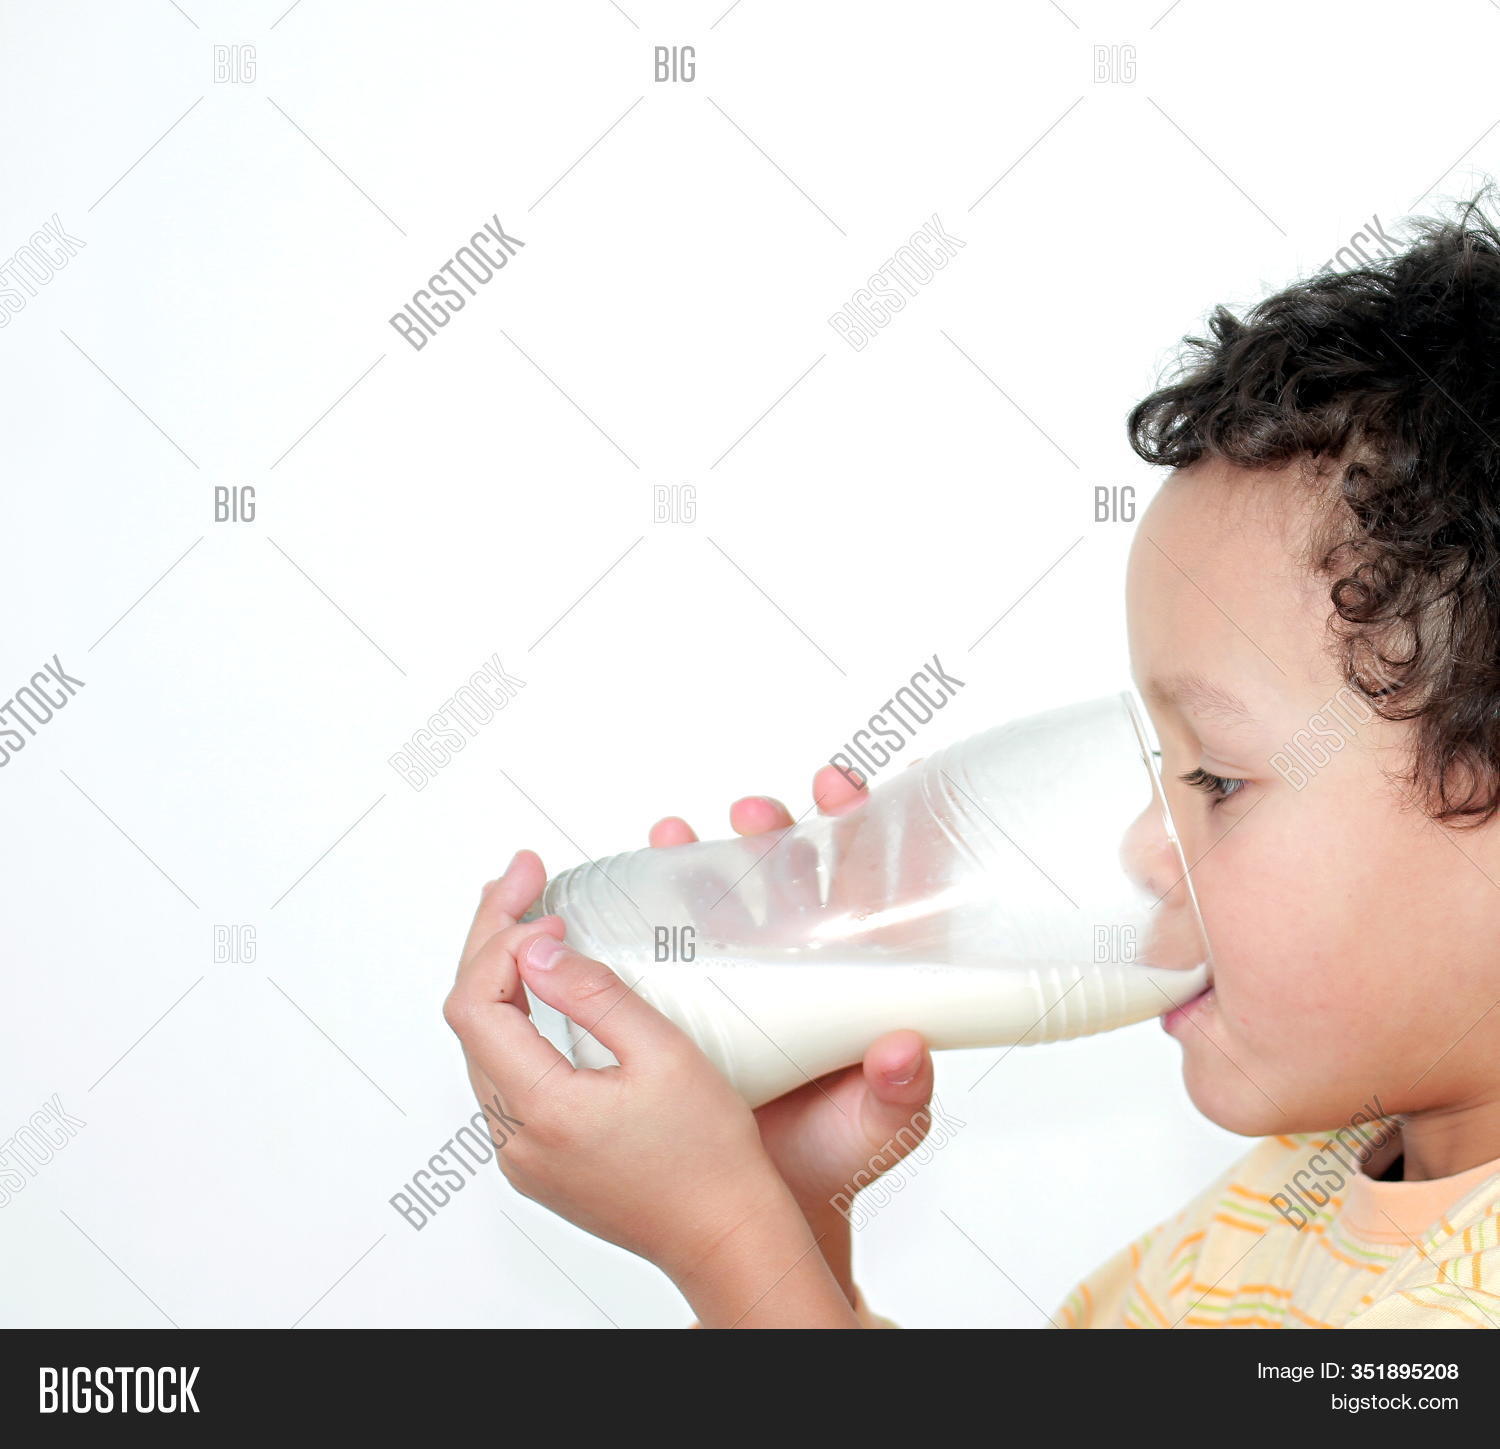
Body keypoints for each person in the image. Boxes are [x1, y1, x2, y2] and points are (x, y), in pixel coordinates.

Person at [443, 198, 1500, 1328]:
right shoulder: (1281, 1211)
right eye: (1160, 767)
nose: (1146, 852)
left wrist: (730, 1248)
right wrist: (795, 1226)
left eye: (1219, 782)